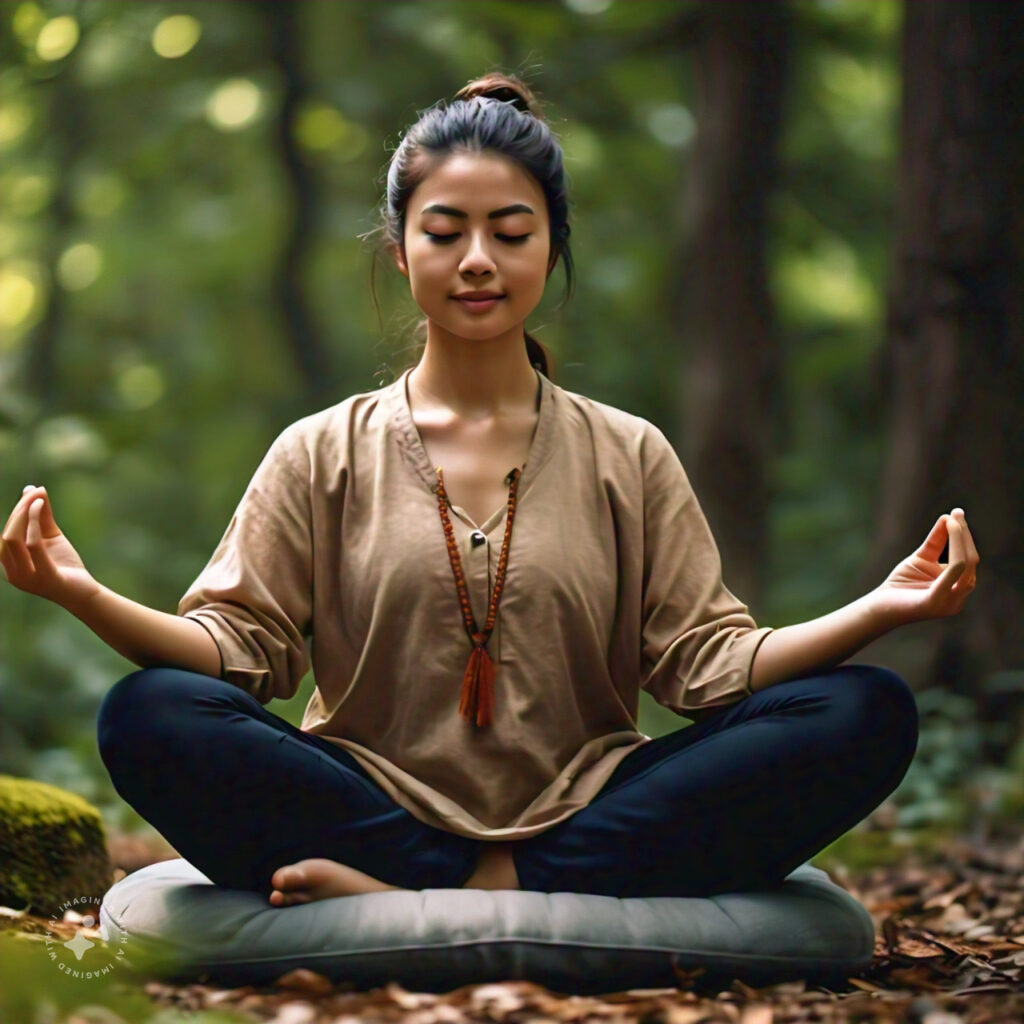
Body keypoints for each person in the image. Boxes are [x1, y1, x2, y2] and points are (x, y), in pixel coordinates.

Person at [1, 73, 979, 908]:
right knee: (148, 712)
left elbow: (708, 663)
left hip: (592, 799)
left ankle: (469, 882)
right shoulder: (319, 450)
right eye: (446, 231)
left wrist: (875, 610)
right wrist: (83, 595)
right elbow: (232, 654)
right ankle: (482, 872)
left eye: (510, 232)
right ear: (400, 250)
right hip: (368, 797)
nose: (478, 259)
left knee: (863, 710)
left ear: (550, 248)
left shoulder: (626, 451)